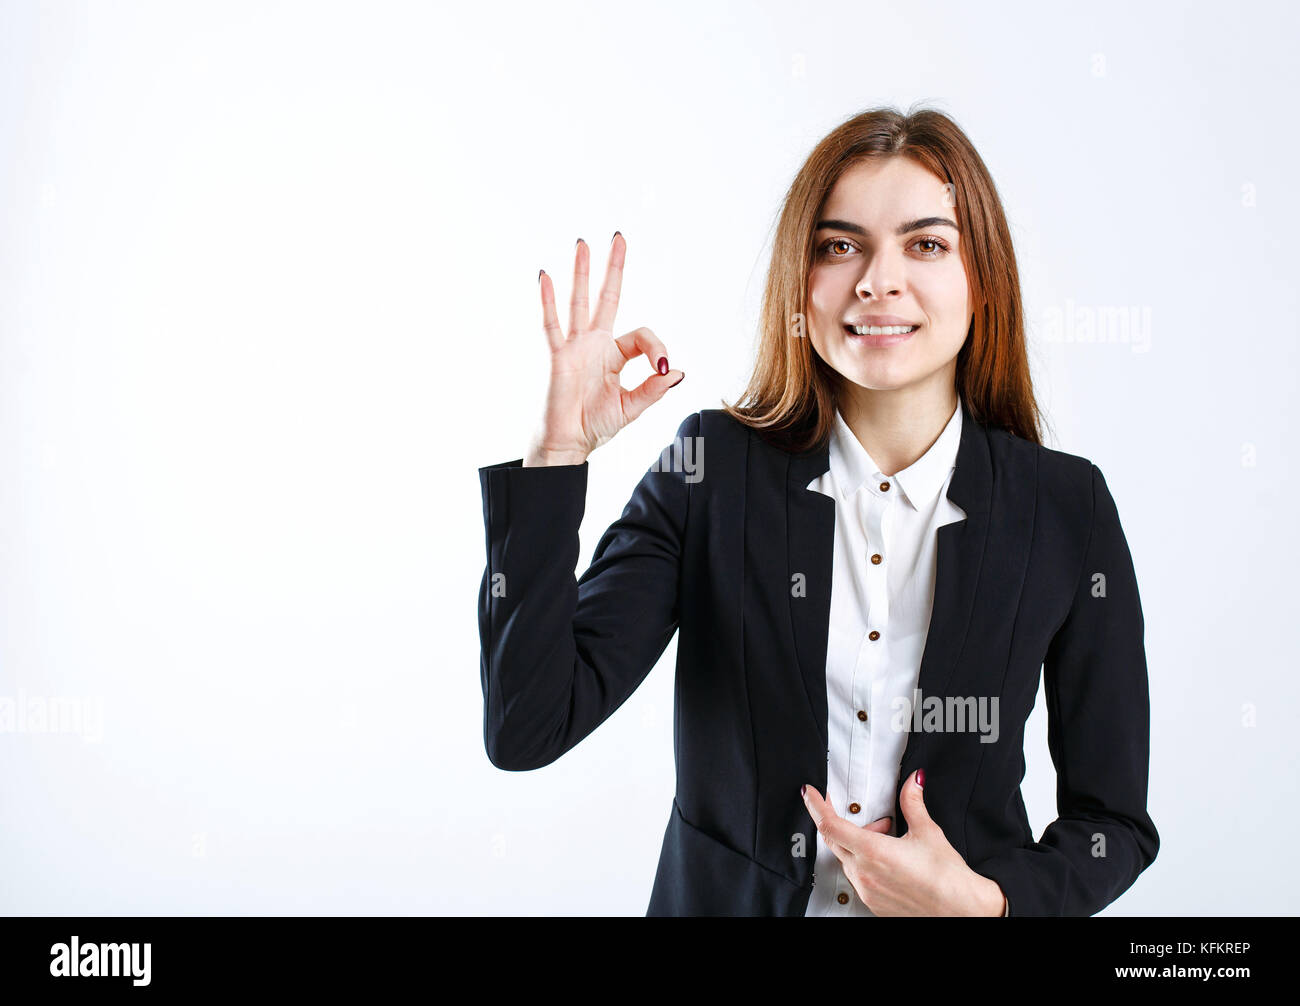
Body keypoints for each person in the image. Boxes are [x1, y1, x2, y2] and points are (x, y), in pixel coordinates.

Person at [476, 105, 1158, 916]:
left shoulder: (1065, 508)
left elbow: (1114, 823)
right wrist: (558, 456)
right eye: (841, 245)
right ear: (801, 279)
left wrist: (989, 904)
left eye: (927, 244)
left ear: (983, 283)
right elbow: (526, 728)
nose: (878, 279)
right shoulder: (712, 472)